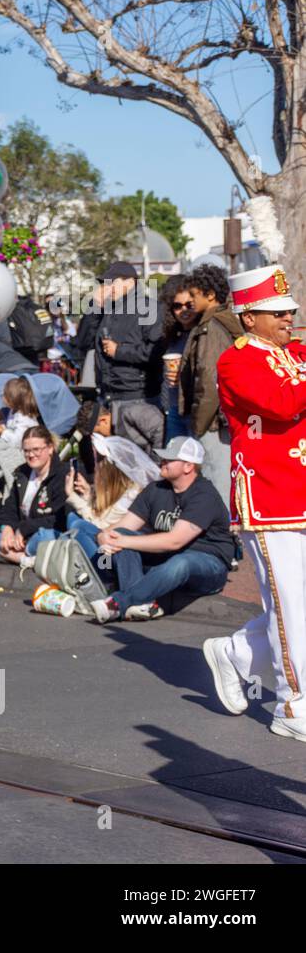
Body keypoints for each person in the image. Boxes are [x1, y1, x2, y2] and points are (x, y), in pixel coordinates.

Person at [204, 264, 306, 741]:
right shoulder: (236, 362)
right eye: (277, 312)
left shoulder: (298, 354)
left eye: (290, 310)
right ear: (249, 318)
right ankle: (292, 704)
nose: (289, 318)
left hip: (300, 492)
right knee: (292, 606)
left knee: (299, 608)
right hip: (269, 495)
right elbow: (283, 404)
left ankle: (239, 654)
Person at [88, 436, 234, 623]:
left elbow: (175, 541)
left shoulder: (204, 495)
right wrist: (104, 535)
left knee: (182, 563)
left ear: (188, 466)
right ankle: (142, 603)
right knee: (110, 534)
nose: (162, 461)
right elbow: (124, 527)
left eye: (169, 459)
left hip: (208, 564)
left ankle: (118, 603)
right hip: (168, 559)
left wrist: (122, 541)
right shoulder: (155, 489)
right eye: (163, 457)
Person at [77, 261, 165, 451]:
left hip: (138, 396)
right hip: (109, 396)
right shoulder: (107, 310)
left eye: (111, 282)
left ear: (129, 281)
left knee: (141, 458)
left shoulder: (150, 308)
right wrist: (95, 306)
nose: (107, 287)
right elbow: (83, 342)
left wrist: (120, 351)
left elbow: (155, 352)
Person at [176, 264, 239, 507]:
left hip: (213, 422)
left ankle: (223, 538)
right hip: (216, 419)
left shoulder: (212, 328)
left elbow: (209, 380)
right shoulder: (212, 323)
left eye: (193, 295)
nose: (189, 301)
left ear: (210, 295)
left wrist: (199, 425)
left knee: (217, 483)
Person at [0, 425, 67, 567]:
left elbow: (60, 519)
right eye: (26, 451)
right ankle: (23, 559)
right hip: (19, 536)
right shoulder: (22, 472)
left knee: (47, 537)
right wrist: (7, 528)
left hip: (40, 534)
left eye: (36, 449)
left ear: (50, 448)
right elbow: (9, 508)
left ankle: (4, 554)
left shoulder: (62, 474)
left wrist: (25, 529)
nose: (31, 455)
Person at [62, 433, 156, 562]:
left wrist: (72, 496)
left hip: (122, 552)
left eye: (96, 461)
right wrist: (88, 494)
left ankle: (96, 571)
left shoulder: (131, 495)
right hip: (108, 541)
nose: (94, 466)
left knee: (76, 524)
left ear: (108, 467)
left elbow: (101, 526)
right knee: (72, 521)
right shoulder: (118, 488)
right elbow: (100, 516)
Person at [158, 276, 197, 441]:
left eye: (189, 305)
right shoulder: (172, 336)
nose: (184, 311)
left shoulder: (201, 334)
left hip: (194, 409)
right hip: (174, 408)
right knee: (174, 462)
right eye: (177, 306)